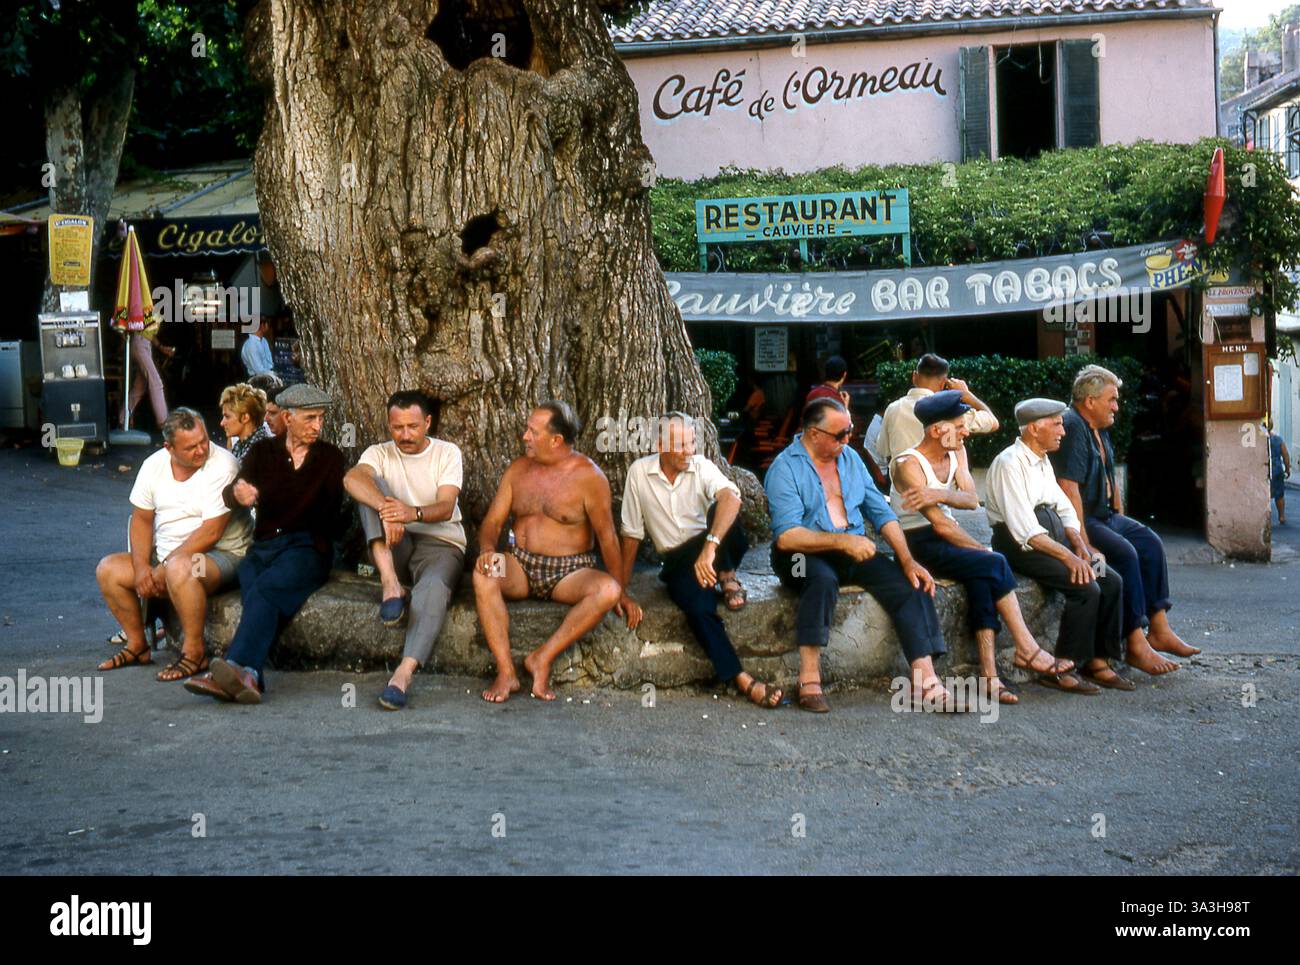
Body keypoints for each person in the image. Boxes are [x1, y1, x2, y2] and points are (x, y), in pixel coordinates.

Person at [765, 397, 950, 713]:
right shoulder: (785, 467)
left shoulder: (850, 459)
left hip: (850, 546)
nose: (847, 439)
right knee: (820, 579)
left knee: (909, 583)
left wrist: (907, 560)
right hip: (797, 555)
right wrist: (843, 544)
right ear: (813, 434)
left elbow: (882, 514)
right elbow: (786, 536)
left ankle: (925, 678)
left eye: (850, 431)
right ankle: (809, 679)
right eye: (840, 435)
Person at [889, 391, 1075, 705]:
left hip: (947, 538)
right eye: (959, 426)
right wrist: (980, 548)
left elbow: (971, 499)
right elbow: (941, 524)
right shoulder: (907, 464)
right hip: (917, 541)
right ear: (937, 430)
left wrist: (940, 495)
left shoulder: (956, 451)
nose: (965, 432)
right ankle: (1027, 648)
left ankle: (990, 678)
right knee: (992, 562)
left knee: (981, 577)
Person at [184, 383, 344, 704]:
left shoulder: (330, 458)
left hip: (308, 547)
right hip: (265, 547)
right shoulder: (263, 453)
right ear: (288, 417)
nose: (318, 426)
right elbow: (232, 494)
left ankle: (232, 667)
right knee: (254, 585)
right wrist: (239, 494)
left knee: (267, 590)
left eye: (321, 419)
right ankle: (250, 678)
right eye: (310, 418)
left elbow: (329, 516)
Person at [618, 413, 783, 708]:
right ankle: (741, 678)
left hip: (712, 547)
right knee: (698, 608)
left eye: (691, 442)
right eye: (680, 444)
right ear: (660, 445)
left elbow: (732, 499)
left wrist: (709, 548)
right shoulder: (639, 473)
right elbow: (631, 534)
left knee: (725, 507)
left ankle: (728, 575)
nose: (688, 450)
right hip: (677, 559)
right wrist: (622, 589)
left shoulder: (701, 466)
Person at [472, 401, 629, 703]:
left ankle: (541, 658)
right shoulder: (518, 470)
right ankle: (506, 672)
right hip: (520, 565)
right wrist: (489, 550)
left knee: (607, 591)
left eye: (533, 431)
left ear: (556, 440)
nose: (525, 437)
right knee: (484, 574)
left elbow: (608, 537)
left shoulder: (590, 478)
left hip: (570, 572)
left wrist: (621, 587)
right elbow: (492, 521)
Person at [984, 399, 1129, 694]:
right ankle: (1064, 666)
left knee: (1110, 579)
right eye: (1057, 424)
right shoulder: (1009, 463)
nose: (1063, 431)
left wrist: (1079, 544)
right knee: (1086, 587)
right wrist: (1069, 558)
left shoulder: (1042, 459)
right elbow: (1025, 530)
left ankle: (1098, 661)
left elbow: (1063, 507)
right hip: (1020, 547)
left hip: (1053, 540)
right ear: (1034, 428)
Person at [1052, 364, 1191, 670]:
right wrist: (1084, 543)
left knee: (1150, 543)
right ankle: (1135, 642)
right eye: (1111, 399)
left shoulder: (1099, 427)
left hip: (1105, 516)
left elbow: (1109, 478)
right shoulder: (1073, 424)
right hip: (1083, 520)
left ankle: (1159, 628)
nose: (1116, 406)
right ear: (1089, 401)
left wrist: (1123, 520)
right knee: (1126, 554)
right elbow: (1069, 486)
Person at [96, 408, 251, 682]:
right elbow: (142, 520)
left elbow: (211, 532)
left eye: (204, 440)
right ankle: (137, 645)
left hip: (221, 556)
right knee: (108, 570)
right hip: (168, 556)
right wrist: (143, 567)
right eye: (191, 447)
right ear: (169, 448)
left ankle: (195, 652)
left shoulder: (223, 465)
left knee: (180, 569)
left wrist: (164, 567)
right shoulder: (153, 465)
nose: (202, 449)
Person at [343, 390, 465, 710]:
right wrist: (387, 508)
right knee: (369, 488)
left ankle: (402, 674)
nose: (405, 435)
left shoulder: (447, 453)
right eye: (398, 428)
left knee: (433, 588)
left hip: (441, 543)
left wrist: (409, 513)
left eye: (413, 426)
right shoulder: (379, 452)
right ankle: (390, 583)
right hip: (395, 543)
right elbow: (352, 479)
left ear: (427, 422)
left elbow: (445, 505)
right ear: (389, 425)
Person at [877, 353, 999, 465]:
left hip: (901, 485)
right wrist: (966, 394)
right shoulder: (951, 411)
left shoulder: (892, 409)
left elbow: (883, 450)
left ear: (914, 376)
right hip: (940, 485)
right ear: (943, 384)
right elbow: (993, 423)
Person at [123, 332, 174, 430]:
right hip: (140, 344)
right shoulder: (148, 316)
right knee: (156, 383)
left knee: (140, 387)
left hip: (145, 344)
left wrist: (160, 347)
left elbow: (149, 333)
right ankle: (163, 421)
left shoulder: (151, 319)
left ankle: (123, 419)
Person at [218, 383, 273, 462]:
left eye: (227, 417)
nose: (222, 423)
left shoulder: (259, 450)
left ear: (245, 418)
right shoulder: (241, 444)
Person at [1267, 420, 1291, 524]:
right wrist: (1287, 469)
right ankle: (1281, 516)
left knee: (1264, 494)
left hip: (1264, 469)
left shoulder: (1259, 440)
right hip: (1276, 469)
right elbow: (1285, 454)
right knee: (1279, 495)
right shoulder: (1278, 439)